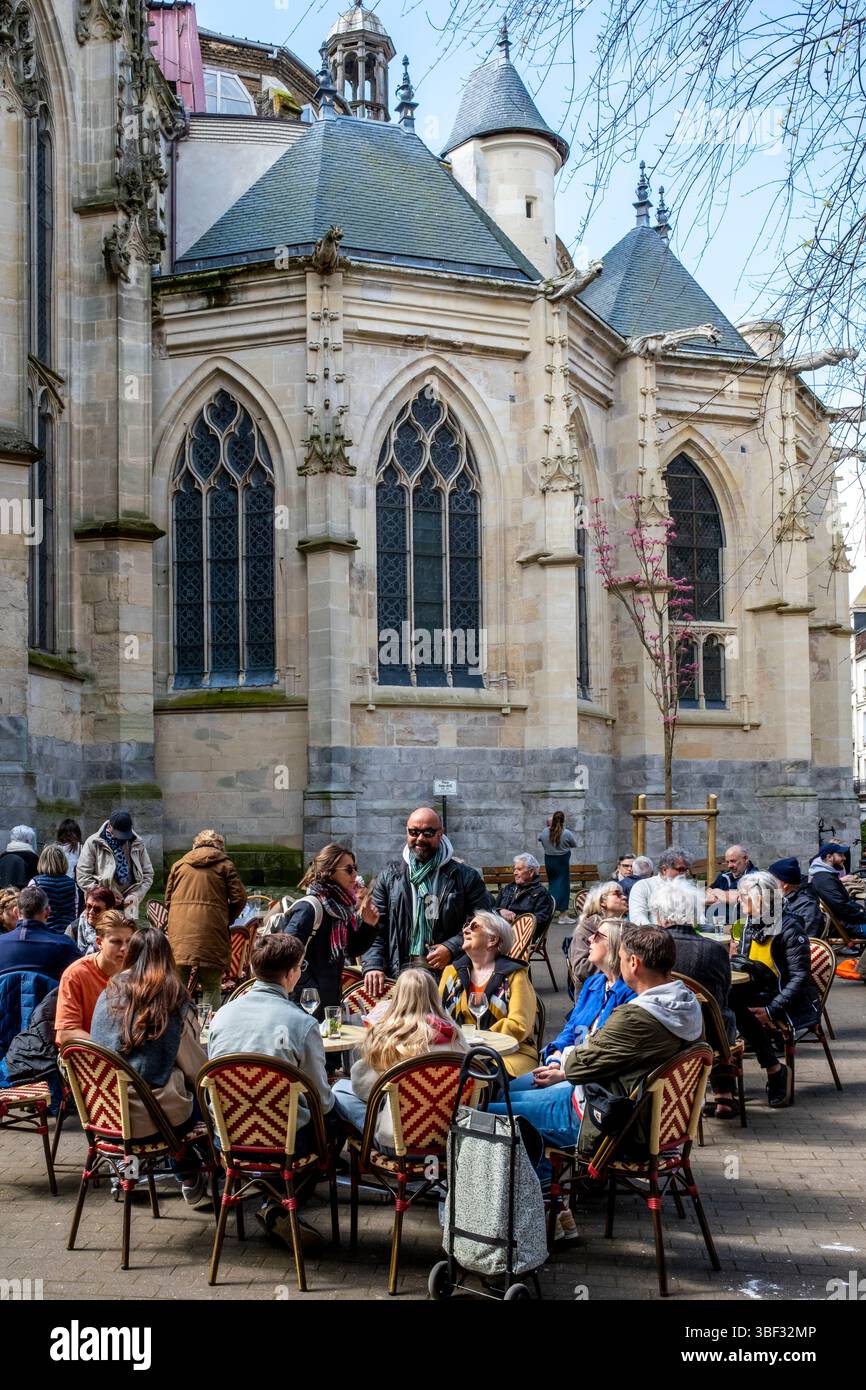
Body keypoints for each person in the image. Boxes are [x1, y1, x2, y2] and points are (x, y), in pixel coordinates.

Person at [207, 934, 343, 1245]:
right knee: (334, 1122)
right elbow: (320, 1101)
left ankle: (274, 1201)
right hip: (285, 1140)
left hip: (229, 1137)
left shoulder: (221, 1016)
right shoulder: (302, 1024)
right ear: (293, 972)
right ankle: (279, 1204)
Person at [559, 925, 704, 1154]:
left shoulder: (635, 1017)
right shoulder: (688, 1005)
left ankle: (543, 1186)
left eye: (621, 959)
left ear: (634, 963)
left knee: (501, 1112)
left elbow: (575, 1068)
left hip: (615, 1126)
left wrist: (585, 1044)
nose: (620, 964)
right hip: (663, 1125)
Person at [90, 926, 208, 1204]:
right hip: (151, 1119)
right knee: (197, 1105)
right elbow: (196, 1069)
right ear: (168, 957)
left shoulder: (111, 989)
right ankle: (189, 1177)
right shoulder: (172, 996)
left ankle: (127, 1175)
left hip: (104, 1112)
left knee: (150, 1111)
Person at [362, 807, 491, 996]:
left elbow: (483, 922)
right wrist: (373, 965)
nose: (420, 839)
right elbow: (375, 928)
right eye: (414, 832)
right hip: (398, 973)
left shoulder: (465, 877)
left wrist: (451, 947)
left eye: (428, 833)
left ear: (441, 834)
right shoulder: (389, 877)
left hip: (448, 972)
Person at [332, 967, 466, 1145]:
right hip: (449, 1138)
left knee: (340, 1088)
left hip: (398, 1141)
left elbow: (362, 1088)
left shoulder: (389, 1039)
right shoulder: (457, 1036)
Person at [729, 870, 820, 1108]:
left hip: (788, 1000)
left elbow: (800, 978)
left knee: (735, 1008)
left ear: (760, 898)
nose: (739, 900)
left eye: (743, 895)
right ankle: (732, 1079)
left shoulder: (789, 928)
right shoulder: (751, 923)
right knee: (721, 1003)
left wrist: (770, 1011)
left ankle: (771, 1070)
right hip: (756, 991)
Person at [648, 878, 737, 1118]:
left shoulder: (650, 948)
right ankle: (724, 1096)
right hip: (710, 1036)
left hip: (661, 1033)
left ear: (660, 913)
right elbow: (724, 992)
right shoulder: (716, 950)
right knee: (721, 1014)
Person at [270, 843, 379, 1008]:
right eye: (349, 870)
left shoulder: (342, 910)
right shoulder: (309, 908)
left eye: (355, 868)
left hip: (329, 999)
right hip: (303, 1003)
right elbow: (285, 955)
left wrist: (368, 926)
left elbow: (351, 949)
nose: (355, 874)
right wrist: (309, 988)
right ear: (329, 872)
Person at [439, 911, 538, 1077]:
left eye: (474, 926)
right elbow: (437, 1015)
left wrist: (481, 1040)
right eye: (466, 926)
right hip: (459, 1053)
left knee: (482, 1078)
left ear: (492, 940)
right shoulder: (451, 972)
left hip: (509, 1054)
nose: (466, 930)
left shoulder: (514, 975)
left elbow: (519, 1025)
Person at [163, 829, 247, 1013]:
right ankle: (208, 1032)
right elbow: (239, 899)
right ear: (220, 848)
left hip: (180, 934)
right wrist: (226, 917)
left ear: (195, 845)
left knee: (177, 984)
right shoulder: (225, 865)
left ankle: (177, 1028)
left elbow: (168, 900)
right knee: (211, 985)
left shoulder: (179, 865)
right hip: (212, 932)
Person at [55, 909, 134, 1044]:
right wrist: (110, 1047)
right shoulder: (76, 974)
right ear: (99, 942)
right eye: (116, 942)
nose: (124, 948)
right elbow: (66, 1032)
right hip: (88, 1054)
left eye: (129, 941)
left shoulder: (137, 971)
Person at [76, 810, 154, 921]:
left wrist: (136, 895)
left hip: (129, 904)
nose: (123, 839)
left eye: (125, 835)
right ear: (109, 827)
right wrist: (107, 896)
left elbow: (148, 874)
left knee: (128, 935)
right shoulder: (93, 842)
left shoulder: (137, 842)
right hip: (101, 904)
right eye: (119, 835)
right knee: (101, 936)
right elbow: (82, 876)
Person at [0, 885, 81, 981]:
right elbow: (82, 977)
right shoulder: (64, 945)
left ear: (17, 912)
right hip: (49, 996)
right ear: (47, 912)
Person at [568, 880, 628, 985]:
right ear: (602, 902)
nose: (624, 897)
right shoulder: (586, 929)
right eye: (617, 894)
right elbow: (581, 970)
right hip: (595, 993)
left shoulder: (627, 927)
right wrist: (618, 963)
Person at [807, 842, 866, 934]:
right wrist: (862, 913)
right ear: (829, 857)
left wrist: (861, 910)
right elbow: (842, 907)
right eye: (840, 855)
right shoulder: (824, 880)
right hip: (847, 926)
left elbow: (844, 904)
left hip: (848, 922)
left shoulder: (827, 876)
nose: (844, 858)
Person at [627, 847, 693, 926]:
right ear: (664, 869)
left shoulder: (688, 889)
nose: (684, 874)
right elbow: (638, 918)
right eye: (680, 869)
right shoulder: (642, 886)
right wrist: (659, 934)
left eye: (686, 870)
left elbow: (695, 920)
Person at [493, 854, 554, 938]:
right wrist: (501, 911)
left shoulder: (541, 893)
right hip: (499, 930)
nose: (515, 873)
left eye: (519, 869)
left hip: (521, 936)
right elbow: (492, 908)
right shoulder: (508, 888)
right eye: (514, 869)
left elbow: (540, 920)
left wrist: (514, 919)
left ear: (531, 872)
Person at [538, 811, 579, 924]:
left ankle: (549, 910)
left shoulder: (545, 831)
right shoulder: (566, 833)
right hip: (562, 861)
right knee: (563, 887)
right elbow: (574, 844)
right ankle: (562, 915)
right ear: (563, 820)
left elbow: (540, 839)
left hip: (549, 861)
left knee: (553, 884)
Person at [768, 857, 825, 938]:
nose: (767, 882)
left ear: (784, 884)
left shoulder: (807, 906)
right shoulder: (777, 899)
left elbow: (805, 939)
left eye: (771, 880)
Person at [28, 844, 81, 932]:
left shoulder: (35, 883)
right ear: (63, 861)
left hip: (43, 931)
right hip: (67, 932)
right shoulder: (72, 883)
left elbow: (29, 911)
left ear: (42, 861)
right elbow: (75, 909)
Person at [69, 885, 121, 954]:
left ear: (109, 910)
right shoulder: (73, 928)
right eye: (88, 906)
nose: (91, 912)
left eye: (97, 909)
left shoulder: (120, 929)